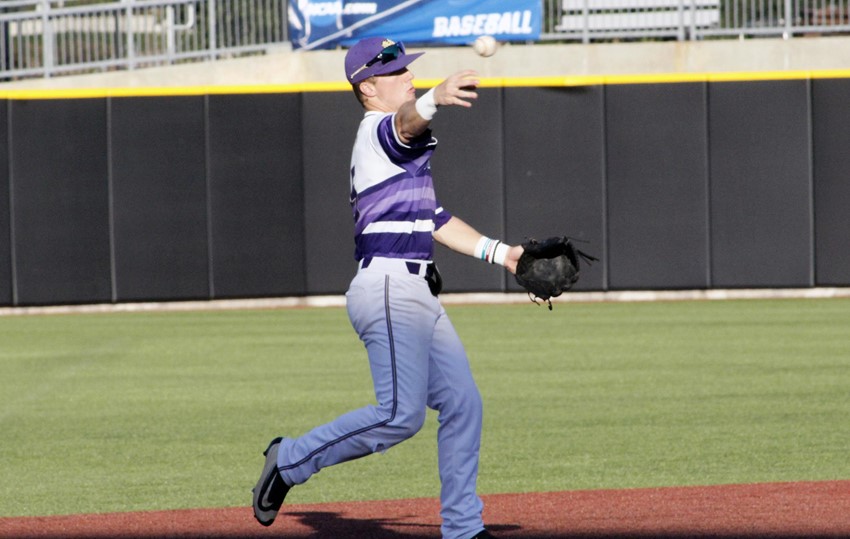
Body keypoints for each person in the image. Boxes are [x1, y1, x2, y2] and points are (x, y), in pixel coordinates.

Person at [252, 36, 523, 539]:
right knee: (400, 416)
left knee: (464, 402)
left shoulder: (395, 150)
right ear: (369, 87)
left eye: (410, 72)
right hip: (387, 286)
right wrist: (433, 99)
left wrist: (502, 254)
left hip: (417, 292)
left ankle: (463, 528)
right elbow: (405, 123)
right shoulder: (377, 130)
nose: (410, 78)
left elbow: (434, 218)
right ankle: (288, 460)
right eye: (398, 74)